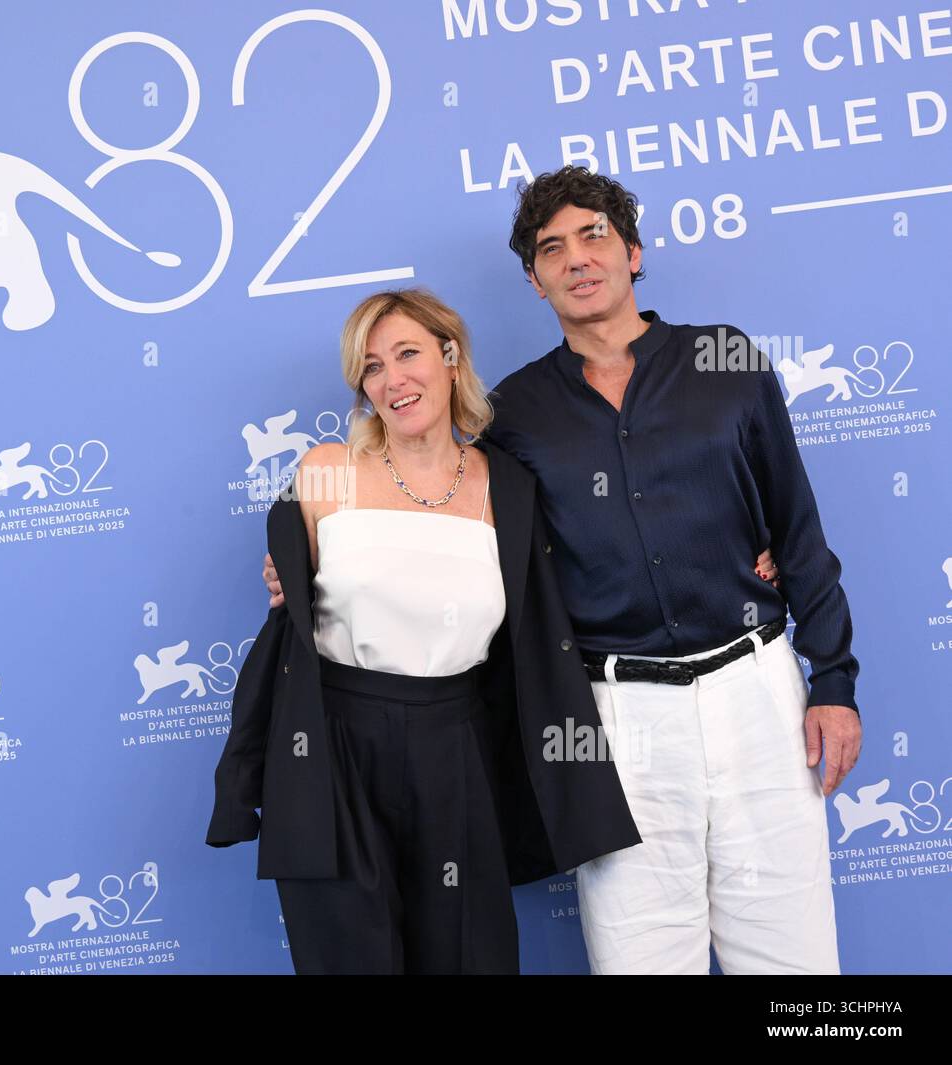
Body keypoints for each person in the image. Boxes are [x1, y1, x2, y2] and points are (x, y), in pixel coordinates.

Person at [480, 166, 861, 974]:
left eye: (594, 236)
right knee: (641, 960)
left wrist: (832, 681)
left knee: (793, 957)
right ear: (533, 278)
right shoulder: (510, 414)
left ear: (634, 252)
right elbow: (446, 520)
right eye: (553, 248)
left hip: (757, 695)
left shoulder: (725, 358)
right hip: (618, 722)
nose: (577, 258)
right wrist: (310, 553)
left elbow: (796, 523)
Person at [208, 289, 642, 975]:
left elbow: (581, 577)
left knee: (472, 958)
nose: (392, 379)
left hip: (458, 747)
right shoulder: (326, 471)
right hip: (334, 749)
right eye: (372, 367)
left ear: (450, 355)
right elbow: (288, 614)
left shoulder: (509, 486)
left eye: (407, 353)